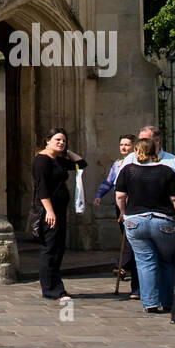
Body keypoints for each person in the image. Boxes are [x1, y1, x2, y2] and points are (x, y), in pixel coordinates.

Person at [115, 136, 175, 313]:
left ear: (138, 152)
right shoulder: (166, 170)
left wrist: (123, 213)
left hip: (135, 220)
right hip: (163, 220)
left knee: (145, 262)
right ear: (156, 152)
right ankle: (167, 301)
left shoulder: (128, 170)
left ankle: (150, 303)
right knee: (166, 261)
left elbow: (120, 196)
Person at [31, 128, 87, 300]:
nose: (61, 143)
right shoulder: (41, 161)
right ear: (47, 140)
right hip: (48, 211)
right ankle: (50, 289)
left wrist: (67, 151)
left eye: (64, 140)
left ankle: (57, 286)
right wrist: (49, 211)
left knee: (58, 249)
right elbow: (42, 189)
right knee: (50, 248)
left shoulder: (58, 160)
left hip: (60, 210)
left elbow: (82, 164)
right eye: (57, 140)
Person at [93, 133, 139, 298]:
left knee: (131, 239)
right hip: (120, 207)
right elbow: (108, 182)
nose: (124, 147)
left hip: (134, 206)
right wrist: (99, 195)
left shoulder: (137, 163)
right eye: (121, 145)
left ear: (134, 146)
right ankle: (129, 274)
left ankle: (124, 265)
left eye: (127, 144)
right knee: (126, 238)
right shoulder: (117, 164)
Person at [117, 125, 175, 192]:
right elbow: (119, 188)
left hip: (164, 206)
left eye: (145, 140)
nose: (141, 143)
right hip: (136, 206)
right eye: (140, 140)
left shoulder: (172, 160)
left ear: (157, 140)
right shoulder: (130, 159)